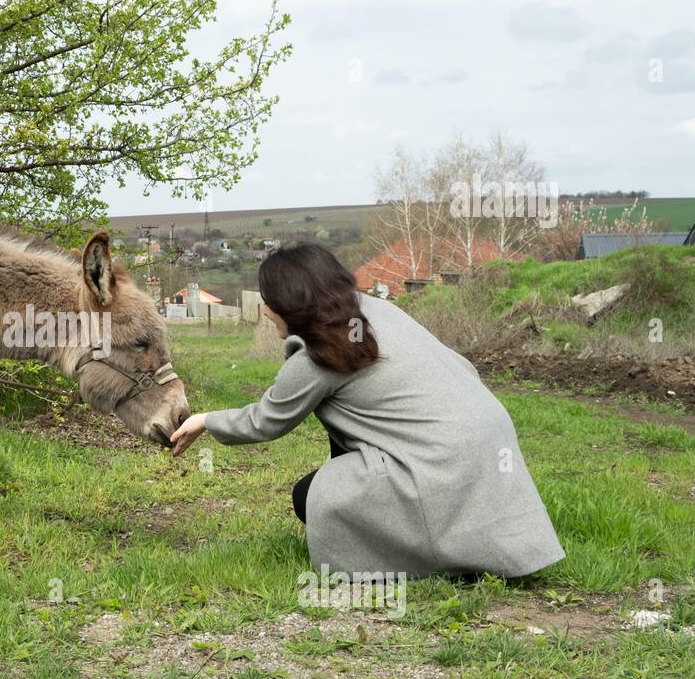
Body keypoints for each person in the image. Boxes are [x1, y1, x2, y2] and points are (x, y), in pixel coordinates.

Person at [170, 244, 564, 578]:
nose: (266, 311)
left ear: (285, 304)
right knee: (339, 475)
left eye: (268, 303)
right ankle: (485, 540)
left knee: (309, 497)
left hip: (439, 461)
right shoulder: (380, 311)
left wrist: (206, 420)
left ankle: (449, 553)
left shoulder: (318, 355)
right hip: (486, 442)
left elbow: (266, 420)